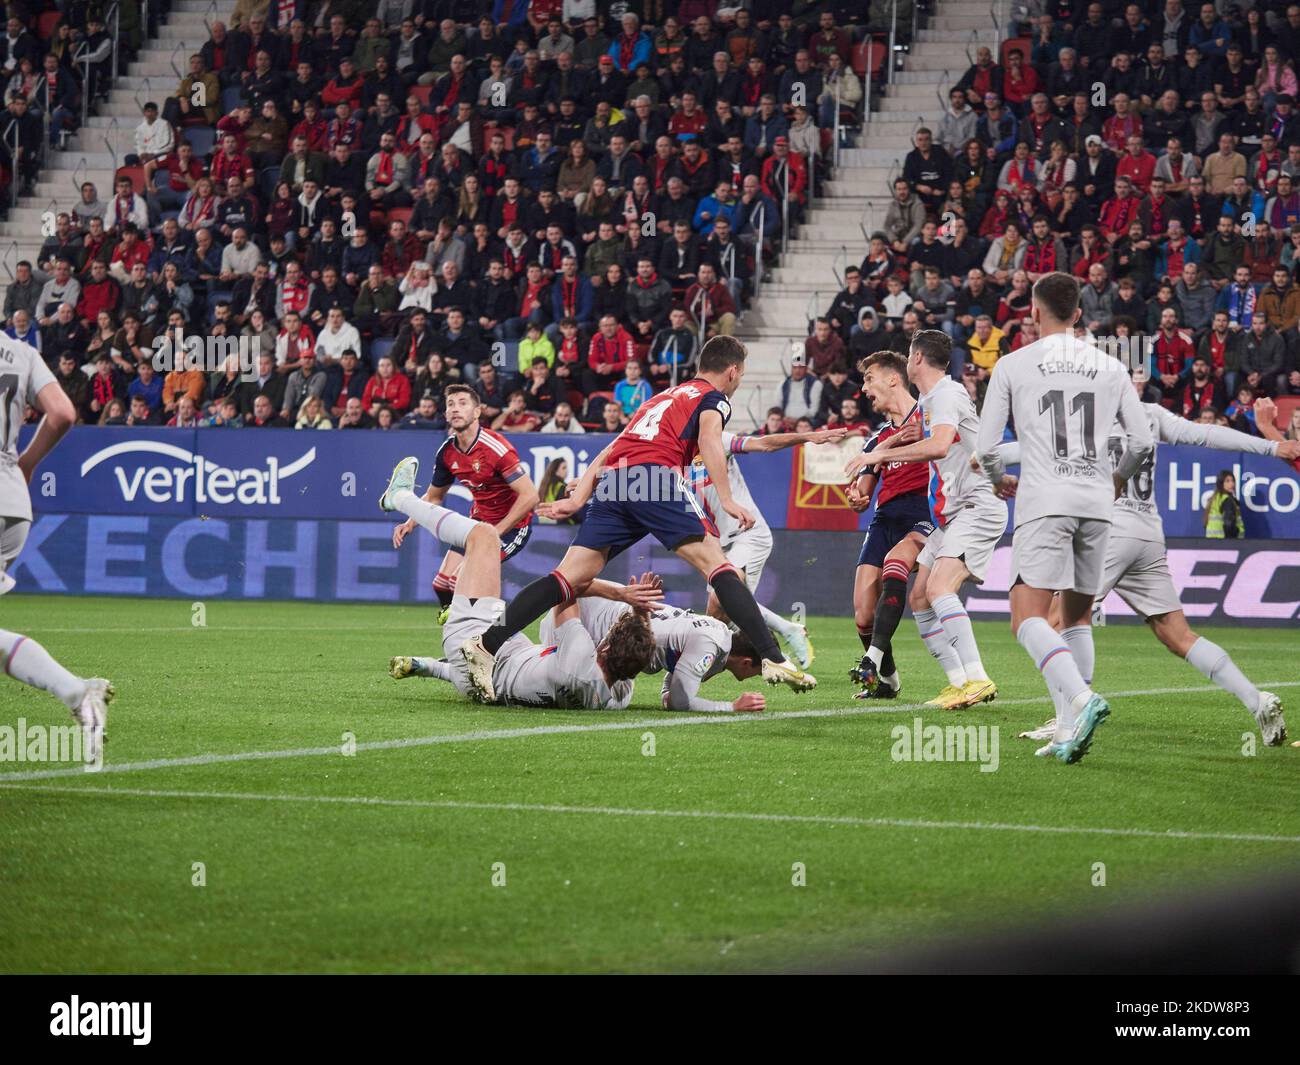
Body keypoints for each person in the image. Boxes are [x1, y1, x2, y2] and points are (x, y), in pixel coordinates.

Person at [457, 336, 818, 703]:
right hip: (654, 479)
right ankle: (773, 658)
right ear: (733, 371)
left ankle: (485, 645)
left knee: (566, 579)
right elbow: (710, 439)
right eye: (740, 375)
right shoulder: (714, 398)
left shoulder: (661, 398)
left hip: (617, 480)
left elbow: (615, 446)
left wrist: (581, 494)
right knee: (721, 569)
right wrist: (725, 498)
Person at [1014, 395, 1297, 747]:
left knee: (1055, 621)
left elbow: (1032, 450)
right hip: (1147, 533)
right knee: (1177, 636)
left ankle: (1067, 721)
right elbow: (1206, 434)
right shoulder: (1148, 413)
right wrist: (1271, 447)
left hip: (1108, 530)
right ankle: (1257, 700)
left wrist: (983, 457)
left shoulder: (1082, 414)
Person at [976, 272, 1155, 764]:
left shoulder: (1013, 364)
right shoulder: (1112, 367)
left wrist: (996, 481)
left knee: (1026, 617)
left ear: (1033, 313)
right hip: (1097, 505)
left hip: (1045, 500)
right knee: (1075, 616)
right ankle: (1066, 732)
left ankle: (1080, 700)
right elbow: (1141, 443)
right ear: (1079, 314)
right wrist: (1115, 483)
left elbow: (986, 446)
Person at [379, 458, 658, 710]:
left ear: (606, 649)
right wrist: (641, 617)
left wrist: (623, 595)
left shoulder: (581, 656)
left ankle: (400, 497)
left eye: (607, 638)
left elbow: (569, 586)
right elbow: (633, 656)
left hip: (479, 655)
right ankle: (428, 666)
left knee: (484, 535)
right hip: (486, 681)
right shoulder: (618, 697)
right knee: (518, 647)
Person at [850, 331, 1007, 711]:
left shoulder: (947, 395)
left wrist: (873, 458)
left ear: (917, 359)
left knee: (938, 590)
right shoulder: (929, 400)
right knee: (919, 598)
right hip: (952, 514)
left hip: (976, 507)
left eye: (908, 355)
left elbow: (937, 445)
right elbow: (921, 438)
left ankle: (978, 678)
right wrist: (878, 450)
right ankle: (958, 683)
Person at [0, 332, 113, 762]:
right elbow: (63, 414)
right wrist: (24, 463)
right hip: (12, 502)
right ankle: (77, 692)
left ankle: (77, 692)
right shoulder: (21, 352)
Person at [687, 425, 848, 670]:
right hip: (718, 544)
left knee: (721, 601)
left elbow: (764, 444)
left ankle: (706, 665)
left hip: (748, 535)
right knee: (726, 609)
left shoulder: (718, 439)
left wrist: (808, 436)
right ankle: (785, 632)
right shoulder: (674, 455)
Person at [847, 351, 954, 702]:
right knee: (863, 616)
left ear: (893, 378)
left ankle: (870, 661)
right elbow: (862, 488)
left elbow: (944, 448)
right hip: (884, 519)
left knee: (897, 563)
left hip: (922, 513)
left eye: (869, 378)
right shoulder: (876, 440)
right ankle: (888, 680)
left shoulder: (930, 417)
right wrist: (857, 497)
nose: (865, 389)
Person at [390, 384, 539, 615]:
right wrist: (410, 522)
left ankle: (485, 635)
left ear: (477, 412)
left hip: (511, 527)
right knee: (441, 584)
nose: (455, 409)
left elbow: (530, 496)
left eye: (462, 403)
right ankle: (456, 626)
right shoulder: (447, 453)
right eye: (450, 404)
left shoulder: (496, 449)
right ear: (446, 414)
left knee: (458, 581)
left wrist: (495, 532)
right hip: (477, 525)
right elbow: (434, 496)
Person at [1203, 469, 1243, 539]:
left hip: (1211, 542)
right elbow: (1229, 524)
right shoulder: (1227, 500)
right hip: (1225, 542)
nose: (1231, 484)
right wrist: (1236, 533)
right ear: (1221, 483)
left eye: (1232, 481)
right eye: (1227, 481)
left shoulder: (1215, 499)